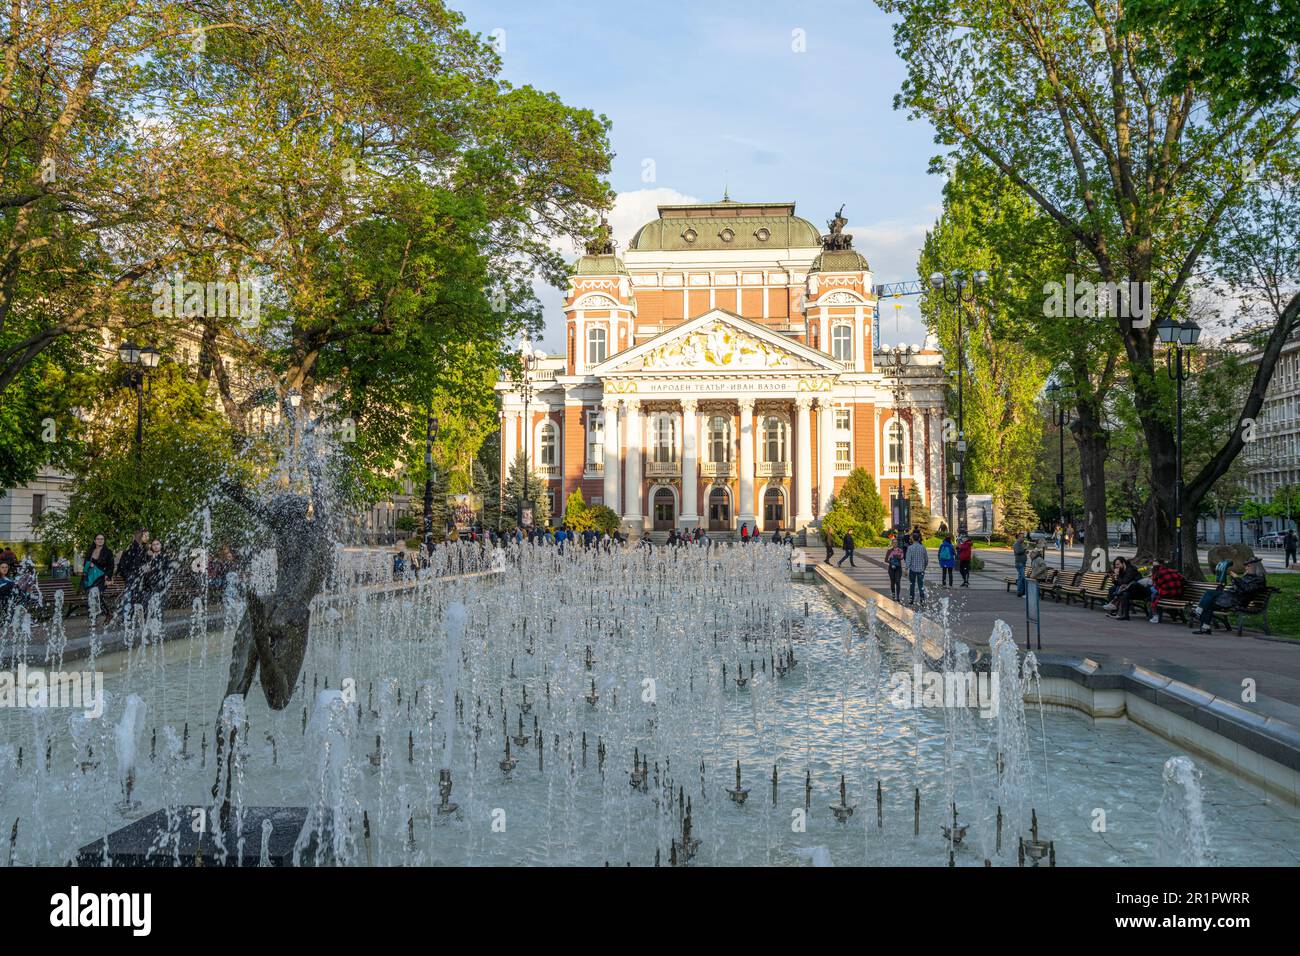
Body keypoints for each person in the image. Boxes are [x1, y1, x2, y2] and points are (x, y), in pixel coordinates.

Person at [1194, 557, 1269, 634]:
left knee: (1210, 593)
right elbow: (1239, 587)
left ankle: (1198, 611)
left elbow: (1247, 589)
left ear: (1255, 566)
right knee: (1209, 603)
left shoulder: (1259, 580)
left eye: (1248, 566)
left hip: (1238, 602)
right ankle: (1205, 628)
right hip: (1231, 598)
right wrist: (1234, 580)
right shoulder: (1248, 576)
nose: (1246, 568)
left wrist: (1237, 578)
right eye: (1245, 566)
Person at [82, 533, 114, 618]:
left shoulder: (108, 552)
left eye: (102, 539)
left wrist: (107, 576)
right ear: (94, 541)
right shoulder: (90, 551)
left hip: (102, 577)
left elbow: (111, 566)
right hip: (91, 577)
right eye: (98, 539)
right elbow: (85, 563)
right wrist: (90, 565)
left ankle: (107, 614)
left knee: (97, 594)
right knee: (92, 595)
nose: (100, 540)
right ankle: (94, 616)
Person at [1146, 559, 1185, 624]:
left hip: (1167, 594)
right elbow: (1183, 579)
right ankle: (1156, 615)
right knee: (1153, 592)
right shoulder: (1172, 571)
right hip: (1178, 593)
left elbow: (1156, 586)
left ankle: (1156, 616)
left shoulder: (1157, 574)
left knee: (1153, 593)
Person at [905, 531, 929, 604]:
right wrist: (924, 567)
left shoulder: (910, 548)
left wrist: (906, 569)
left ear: (913, 539)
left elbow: (908, 559)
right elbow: (926, 559)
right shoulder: (923, 548)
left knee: (912, 584)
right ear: (919, 539)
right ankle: (922, 600)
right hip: (921, 570)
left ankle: (911, 600)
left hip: (912, 570)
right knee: (921, 585)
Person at [884, 536, 905, 601]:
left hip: (898, 568)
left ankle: (898, 597)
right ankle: (893, 596)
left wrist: (897, 557)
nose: (895, 544)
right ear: (892, 544)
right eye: (894, 543)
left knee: (898, 582)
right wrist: (892, 562)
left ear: (897, 544)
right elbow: (885, 560)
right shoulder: (889, 551)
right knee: (892, 582)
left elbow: (902, 558)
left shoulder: (900, 550)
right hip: (891, 569)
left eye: (896, 543)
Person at [1012, 532, 1029, 597]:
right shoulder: (1016, 544)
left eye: (1023, 537)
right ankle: (1021, 592)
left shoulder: (1021, 544)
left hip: (1022, 563)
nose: (1023, 538)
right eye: (1022, 537)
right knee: (1022, 577)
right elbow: (1018, 552)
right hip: (1019, 563)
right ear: (1019, 537)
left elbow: (1022, 551)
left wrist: (1025, 551)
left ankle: (1020, 592)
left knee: (1020, 577)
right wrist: (1025, 549)